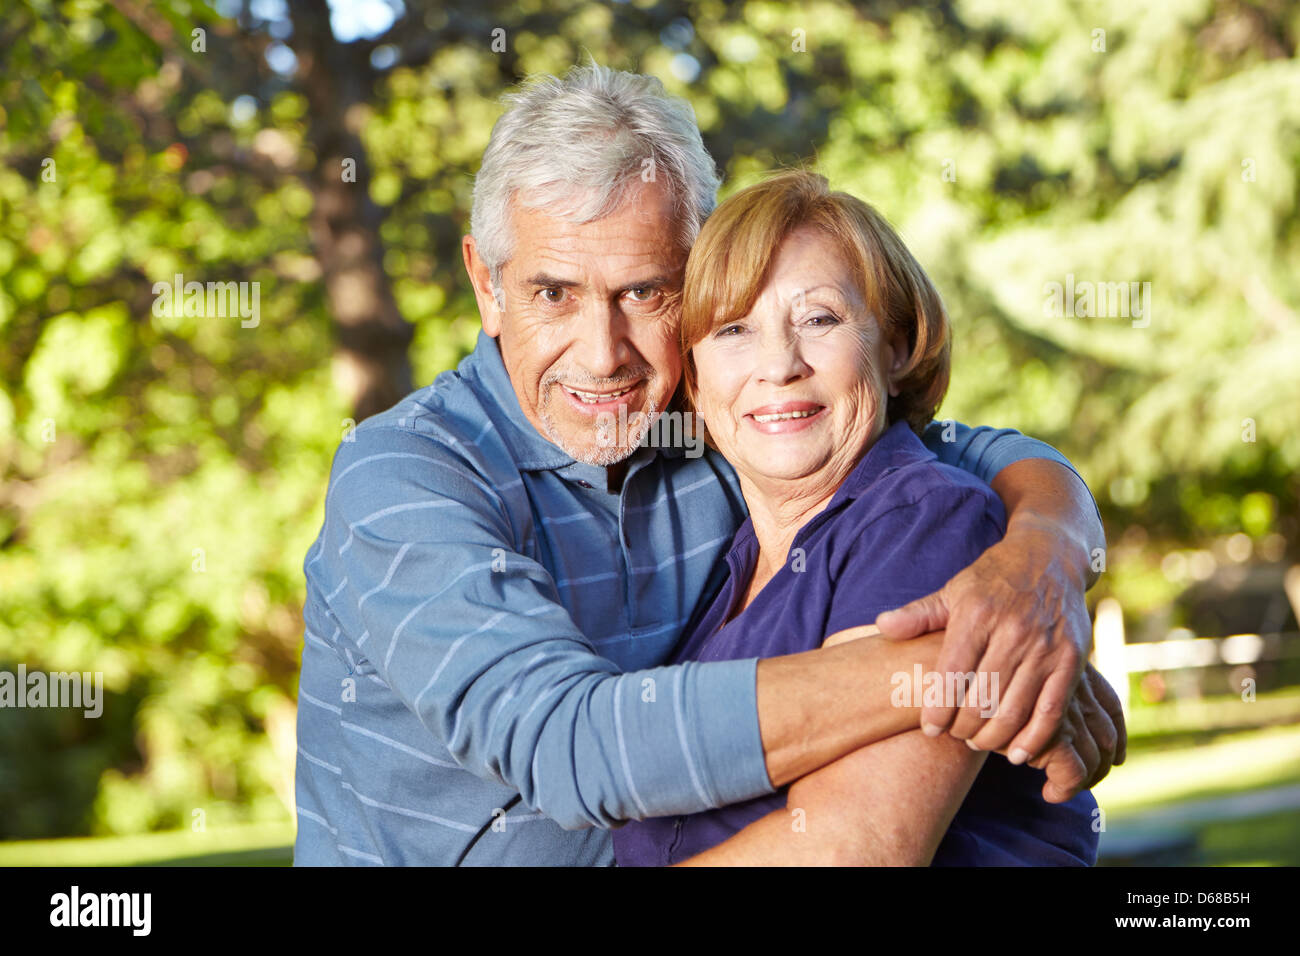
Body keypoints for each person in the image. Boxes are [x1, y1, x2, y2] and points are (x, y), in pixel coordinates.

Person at [293, 63, 1123, 866]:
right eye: (553, 294)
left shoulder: (717, 424)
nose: (602, 354)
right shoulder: (404, 475)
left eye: (646, 292)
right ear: (485, 282)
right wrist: (971, 666)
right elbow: (568, 744)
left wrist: (1041, 558)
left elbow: (951, 454)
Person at [614, 170, 1100, 866]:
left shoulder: (927, 521)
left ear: (896, 347)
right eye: (733, 330)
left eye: (819, 319)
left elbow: (854, 849)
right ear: (693, 379)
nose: (778, 365)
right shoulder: (727, 561)